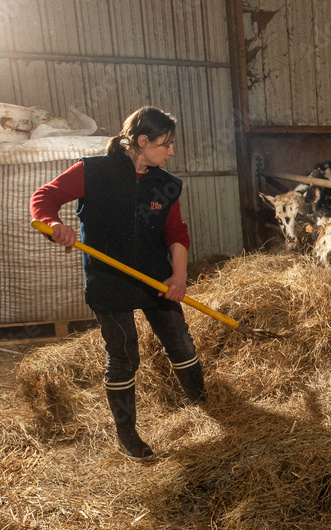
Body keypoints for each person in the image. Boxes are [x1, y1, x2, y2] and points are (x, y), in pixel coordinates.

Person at [31, 106, 205, 460]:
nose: (172, 151)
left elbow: (176, 232)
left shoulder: (165, 184)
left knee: (181, 342)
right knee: (124, 356)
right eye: (166, 144)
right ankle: (128, 435)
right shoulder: (93, 172)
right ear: (142, 141)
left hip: (156, 278)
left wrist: (179, 275)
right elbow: (44, 197)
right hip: (108, 280)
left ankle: (203, 403)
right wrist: (53, 224)